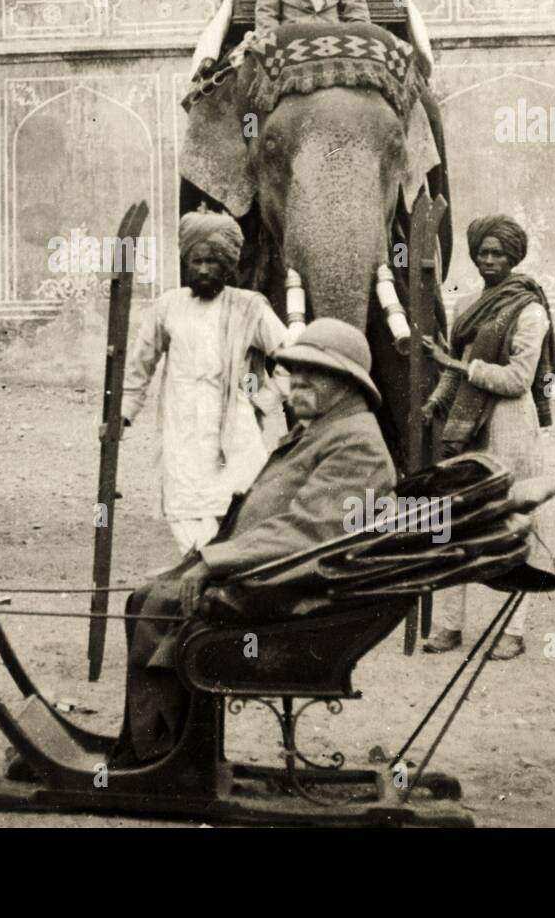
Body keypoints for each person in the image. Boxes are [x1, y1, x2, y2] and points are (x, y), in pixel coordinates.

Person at [111, 317, 394, 765]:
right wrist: (206, 558)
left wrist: (214, 563)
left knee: (156, 604)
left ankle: (157, 758)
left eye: (313, 371)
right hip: (271, 573)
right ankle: (155, 746)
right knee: (148, 598)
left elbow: (308, 533)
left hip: (292, 593)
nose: (296, 380)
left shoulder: (356, 444)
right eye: (295, 369)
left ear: (346, 380)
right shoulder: (327, 428)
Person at [420, 215, 555, 661]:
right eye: (483, 252)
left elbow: (518, 379)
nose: (489, 260)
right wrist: (434, 406)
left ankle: (513, 631)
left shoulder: (529, 309)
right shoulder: (468, 307)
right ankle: (449, 627)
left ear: (513, 256)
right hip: (467, 429)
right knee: (456, 522)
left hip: (510, 427)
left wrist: (463, 369)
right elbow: (452, 365)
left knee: (511, 522)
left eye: (498, 253)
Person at [121, 211, 291, 553]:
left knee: (238, 515)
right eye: (196, 260)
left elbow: (294, 356)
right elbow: (139, 365)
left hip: (235, 434)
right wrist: (123, 414)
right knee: (185, 518)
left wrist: (266, 401)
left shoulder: (248, 308)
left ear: (227, 266)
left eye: (212, 261)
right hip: (180, 430)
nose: (202, 269)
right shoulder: (168, 306)